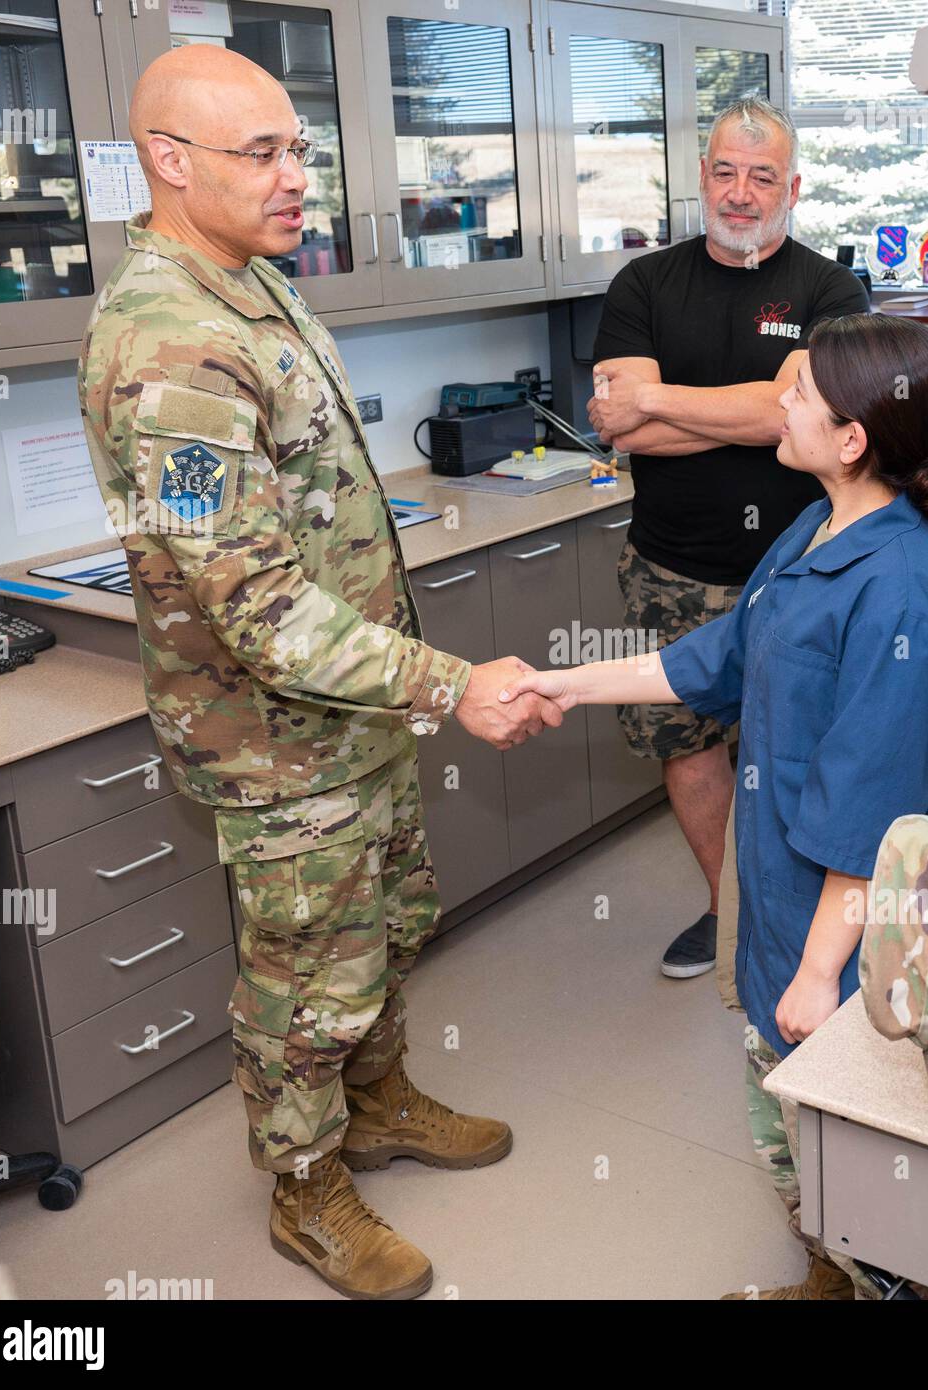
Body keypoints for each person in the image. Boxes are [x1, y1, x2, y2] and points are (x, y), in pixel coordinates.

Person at [77, 45, 562, 1301]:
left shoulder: (248, 284)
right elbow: (257, 610)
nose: (301, 177)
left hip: (348, 721)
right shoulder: (172, 344)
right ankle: (306, 1189)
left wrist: (406, 688)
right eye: (266, 154)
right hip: (276, 741)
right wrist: (451, 682)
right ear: (170, 164)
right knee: (305, 974)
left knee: (384, 926)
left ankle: (381, 1103)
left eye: (302, 149)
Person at [500, 313, 928, 1299]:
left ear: (852, 438)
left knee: (856, 1148)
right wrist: (563, 684)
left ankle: (866, 1276)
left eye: (799, 390)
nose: (782, 401)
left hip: (848, 942)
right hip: (781, 893)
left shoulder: (898, 598)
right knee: (796, 1133)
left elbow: (876, 822)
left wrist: (815, 977)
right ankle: (828, 1273)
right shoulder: (819, 527)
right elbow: (709, 663)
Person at [589, 96, 869, 981]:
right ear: (700, 177)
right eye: (724, 171)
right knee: (690, 747)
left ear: (793, 186)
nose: (740, 193)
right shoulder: (644, 285)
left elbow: (797, 413)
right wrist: (758, 408)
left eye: (761, 176)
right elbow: (624, 432)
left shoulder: (830, 291)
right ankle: (729, 911)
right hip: (671, 566)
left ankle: (813, 929)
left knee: (814, 753)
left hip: (804, 568)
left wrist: (660, 400)